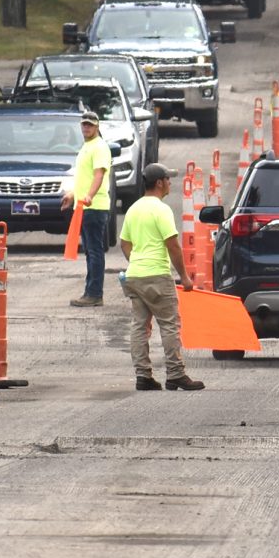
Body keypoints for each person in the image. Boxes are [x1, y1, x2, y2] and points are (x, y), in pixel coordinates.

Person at [118, 164, 202, 392]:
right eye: (168, 179)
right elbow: (173, 245)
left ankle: (143, 376)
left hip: (135, 275)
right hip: (156, 275)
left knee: (139, 326)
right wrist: (184, 276)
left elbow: (124, 243)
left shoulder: (133, 209)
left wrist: (136, 261)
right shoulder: (161, 210)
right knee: (169, 325)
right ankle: (176, 374)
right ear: (159, 183)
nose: (170, 183)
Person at [62, 112, 113, 306]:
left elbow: (98, 175)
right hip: (83, 206)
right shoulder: (87, 146)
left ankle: (94, 293)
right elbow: (84, 178)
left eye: (90, 125)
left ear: (97, 127)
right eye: (84, 125)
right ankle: (90, 292)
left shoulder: (99, 147)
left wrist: (90, 195)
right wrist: (73, 194)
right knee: (90, 252)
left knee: (95, 251)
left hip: (95, 207)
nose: (86, 128)